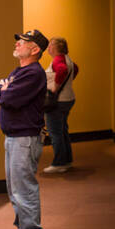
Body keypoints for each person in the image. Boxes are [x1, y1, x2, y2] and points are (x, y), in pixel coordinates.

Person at [0, 29, 49, 229]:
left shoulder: (33, 73)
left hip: (24, 138)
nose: (17, 44)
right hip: (15, 137)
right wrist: (3, 89)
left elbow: (8, 98)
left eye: (23, 42)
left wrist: (5, 90)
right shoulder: (20, 71)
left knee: (24, 187)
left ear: (35, 50)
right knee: (14, 187)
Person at [42, 36, 80, 175]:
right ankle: (67, 160)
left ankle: (59, 163)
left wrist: (55, 88)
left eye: (51, 45)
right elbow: (75, 69)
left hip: (58, 101)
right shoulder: (67, 58)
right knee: (63, 131)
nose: (49, 47)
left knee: (55, 133)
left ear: (57, 47)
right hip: (68, 98)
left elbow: (62, 70)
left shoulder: (59, 60)